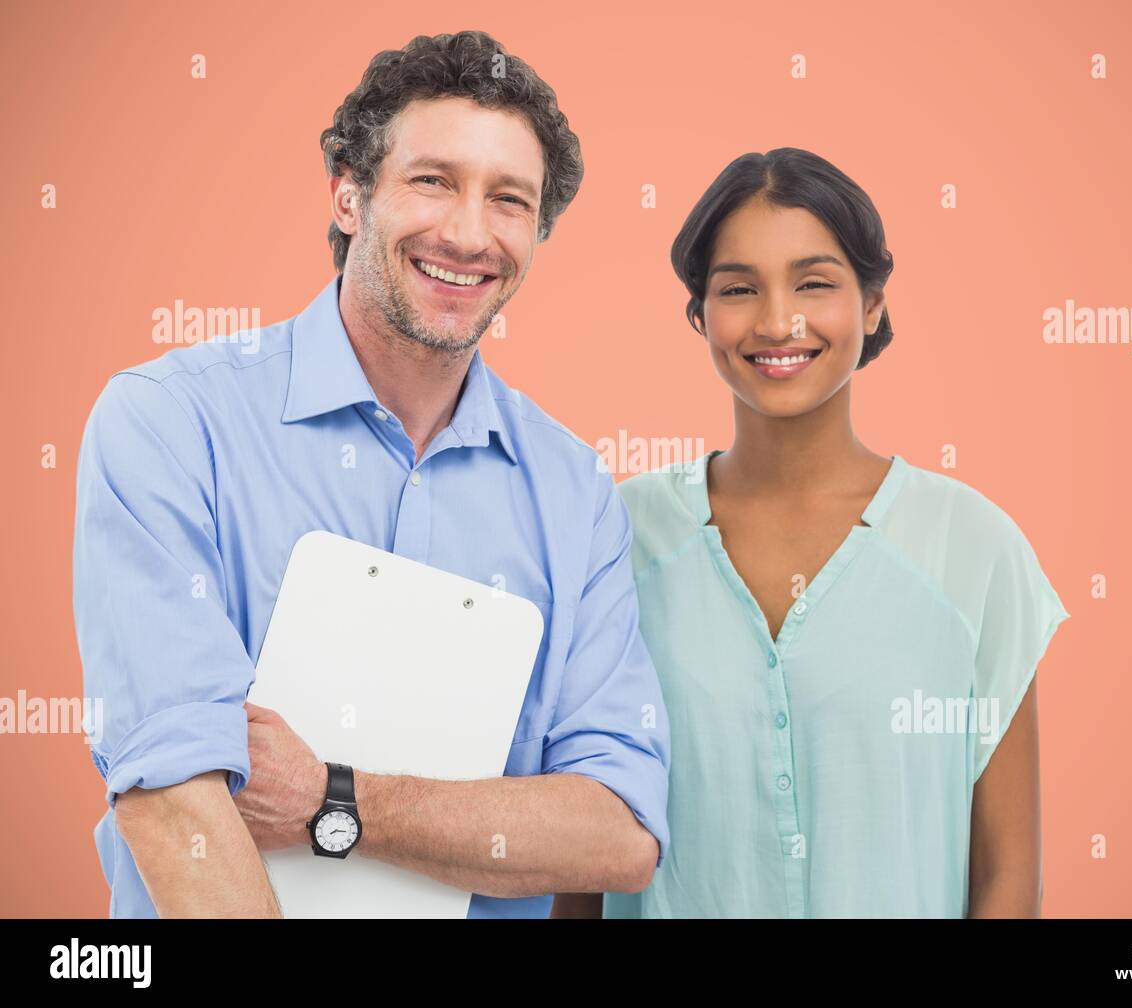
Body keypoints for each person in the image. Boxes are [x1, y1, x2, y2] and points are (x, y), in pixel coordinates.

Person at [72, 30, 668, 919]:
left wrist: (333, 801)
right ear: (349, 195)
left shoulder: (574, 491)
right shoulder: (168, 424)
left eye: (509, 199)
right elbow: (173, 797)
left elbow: (617, 833)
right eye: (433, 181)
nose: (469, 233)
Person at [552, 148, 1069, 918]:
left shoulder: (974, 550)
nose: (776, 320)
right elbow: (581, 867)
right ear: (700, 316)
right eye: (738, 289)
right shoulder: (618, 537)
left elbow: (1006, 876)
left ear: (871, 304)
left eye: (814, 282)